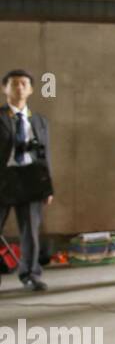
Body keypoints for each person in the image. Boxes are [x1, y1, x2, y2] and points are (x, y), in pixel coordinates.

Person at [0, 69, 53, 291]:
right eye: (14, 84)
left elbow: (45, 154)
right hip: (4, 178)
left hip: (31, 180)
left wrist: (47, 187)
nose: (19, 87)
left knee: (30, 231)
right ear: (4, 89)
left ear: (30, 89)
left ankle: (30, 274)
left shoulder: (39, 121)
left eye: (24, 84)